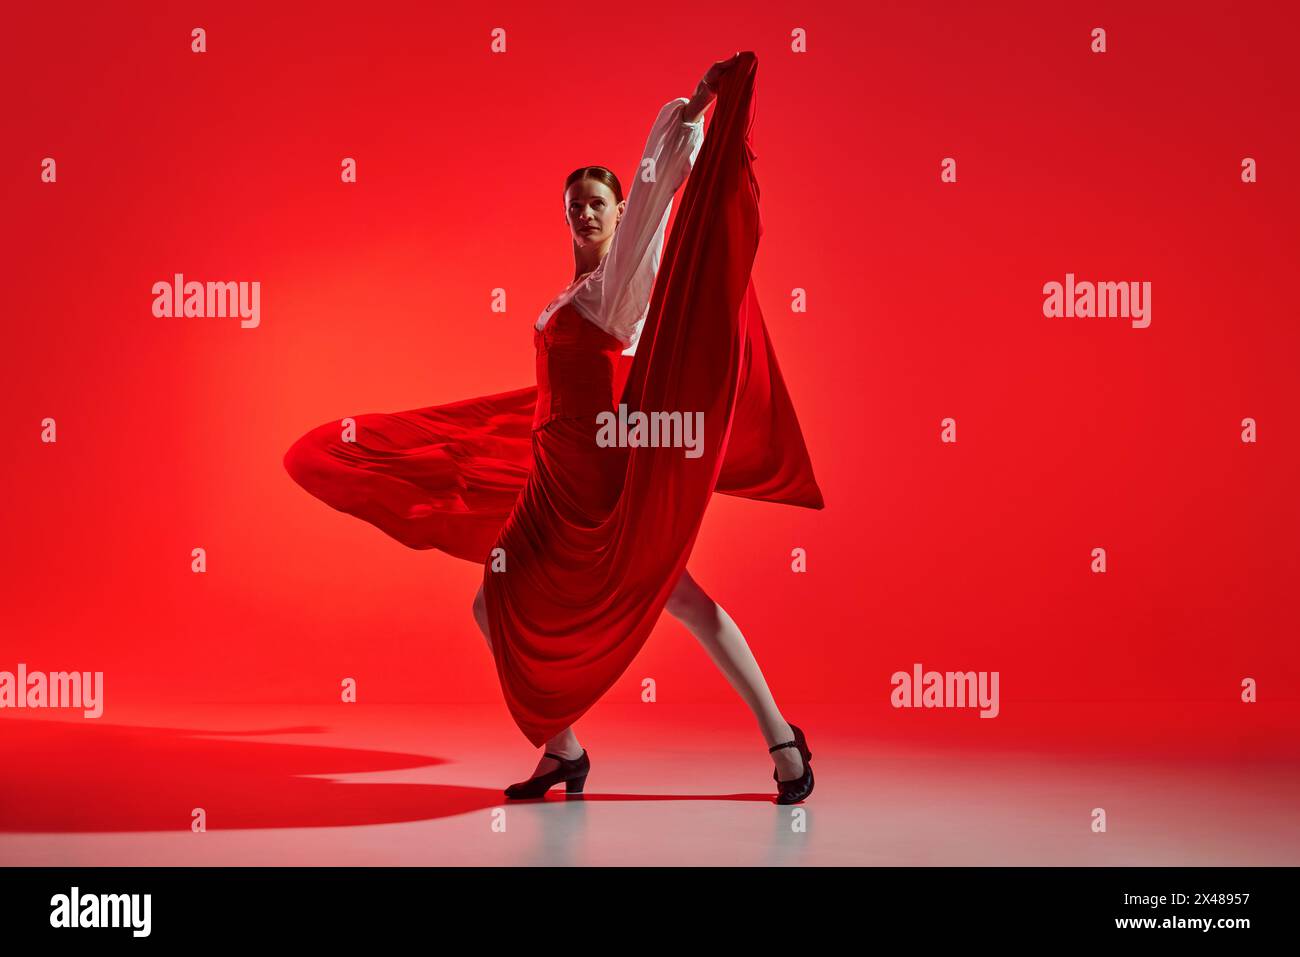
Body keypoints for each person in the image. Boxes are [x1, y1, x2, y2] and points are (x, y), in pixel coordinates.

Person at [284, 51, 822, 805]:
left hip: (600, 489)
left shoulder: (611, 294)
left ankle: (782, 741)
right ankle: (564, 750)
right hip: (548, 482)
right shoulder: (567, 297)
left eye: (599, 203)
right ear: (565, 214)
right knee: (491, 603)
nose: (588, 212)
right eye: (577, 203)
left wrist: (695, 107)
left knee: (685, 600)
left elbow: (651, 197)